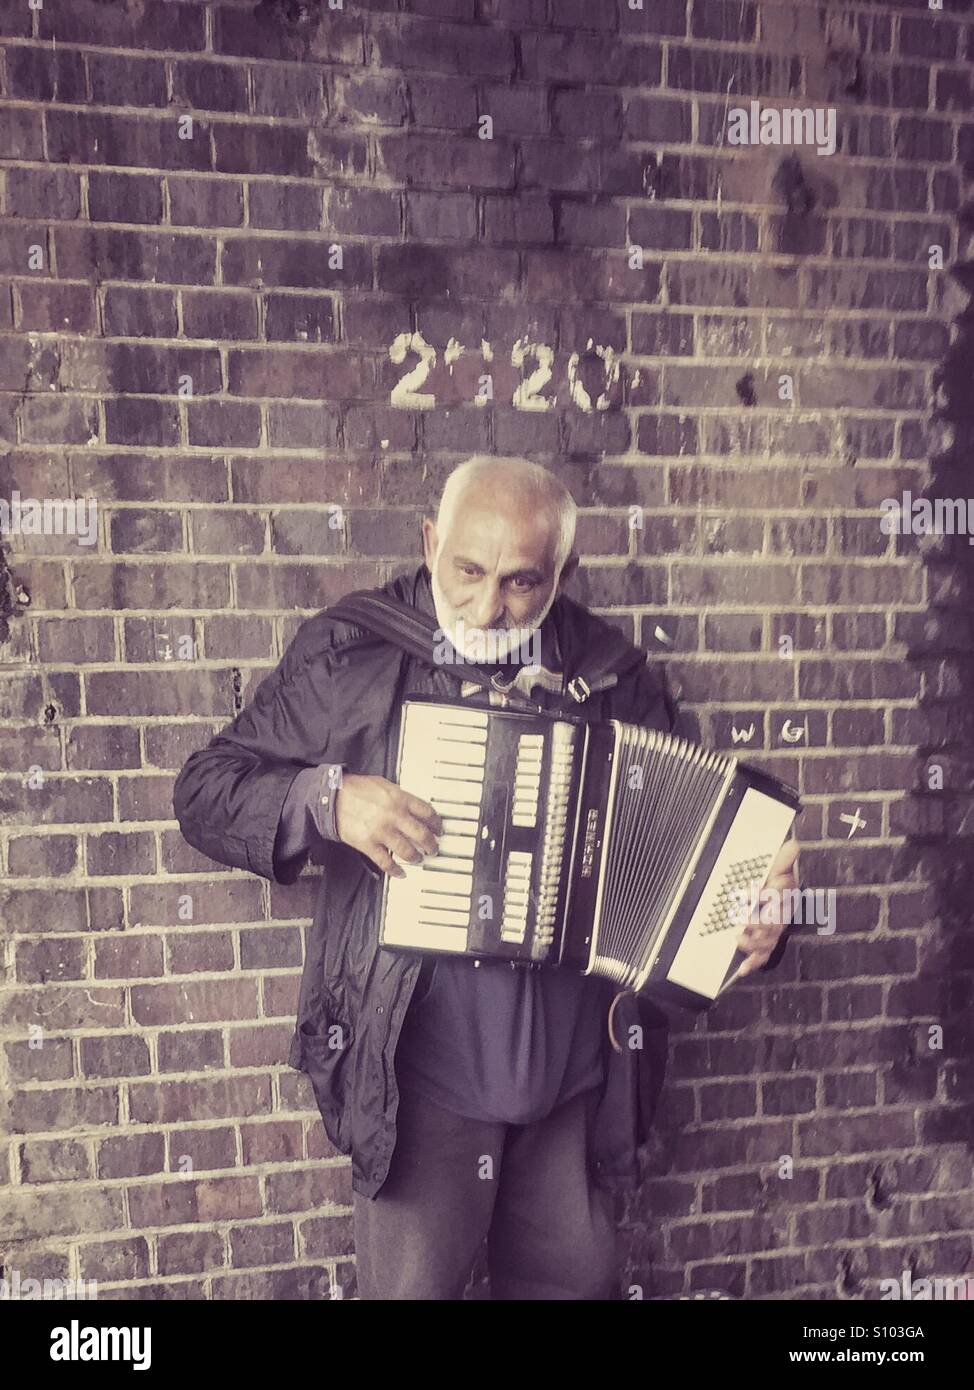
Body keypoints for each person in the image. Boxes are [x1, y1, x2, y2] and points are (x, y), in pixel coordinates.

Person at [173, 456, 799, 1300]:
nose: (484, 604)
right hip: (423, 1081)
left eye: (519, 582)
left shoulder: (611, 674)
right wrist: (327, 799)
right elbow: (206, 789)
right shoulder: (352, 649)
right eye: (466, 570)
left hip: (574, 1083)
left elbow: (697, 860)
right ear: (432, 542)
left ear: (562, 576)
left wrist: (757, 915)